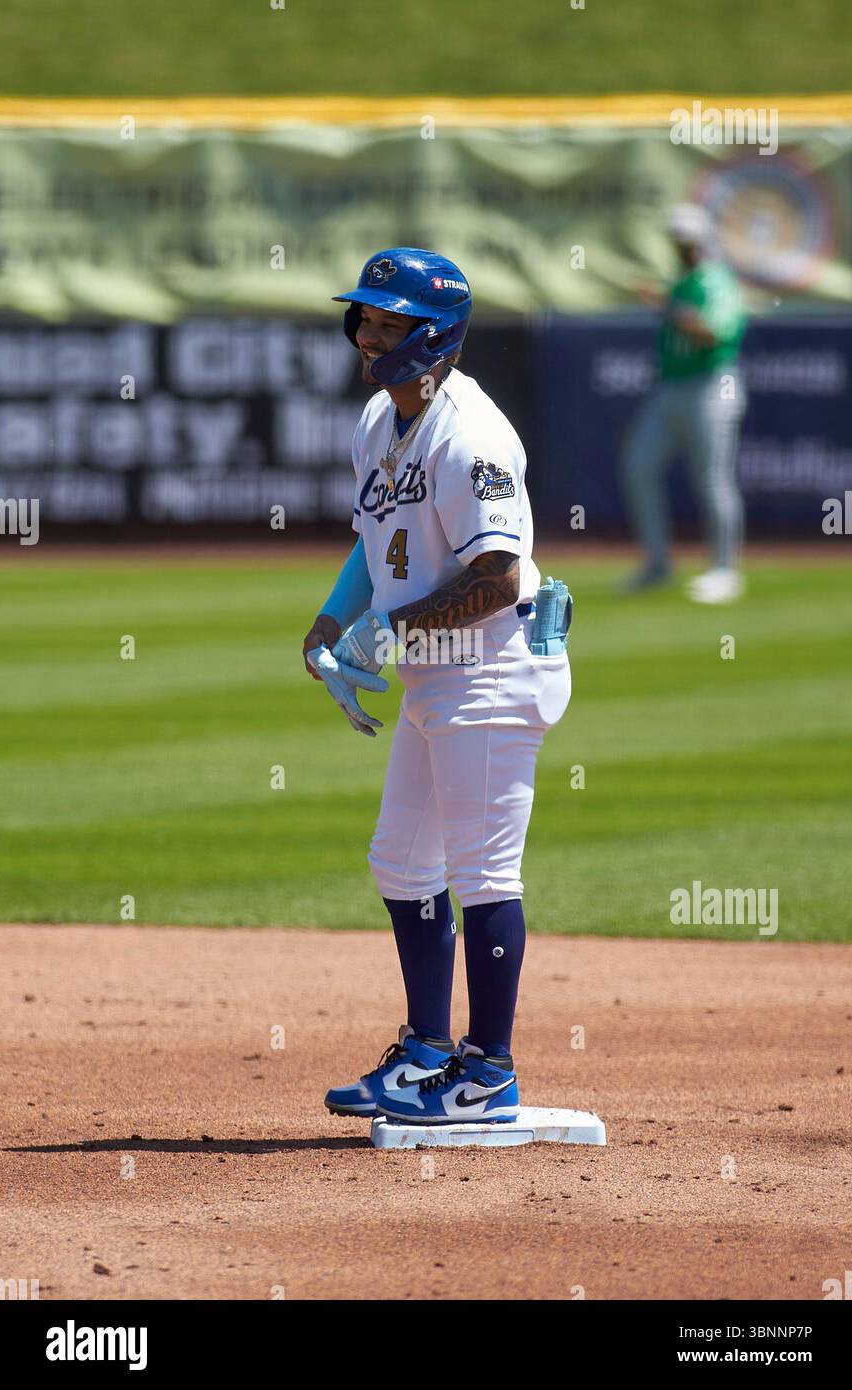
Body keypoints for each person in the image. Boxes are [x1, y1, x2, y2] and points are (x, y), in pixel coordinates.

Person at [301, 247, 571, 1125]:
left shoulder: (473, 435)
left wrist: (392, 630)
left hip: (493, 665)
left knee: (484, 874)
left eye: (390, 324)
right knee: (400, 863)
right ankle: (426, 1055)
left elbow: (496, 575)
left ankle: (487, 1073)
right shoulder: (380, 423)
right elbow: (376, 538)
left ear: (437, 336)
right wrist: (336, 622)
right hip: (435, 674)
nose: (370, 339)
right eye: (365, 321)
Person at [622, 203, 748, 604]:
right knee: (639, 466)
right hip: (671, 386)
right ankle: (657, 563)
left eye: (686, 240)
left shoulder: (715, 282)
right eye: (678, 240)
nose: (681, 247)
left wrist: (666, 306)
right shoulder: (684, 282)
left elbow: (712, 333)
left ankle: (725, 570)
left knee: (713, 478)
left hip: (711, 383)